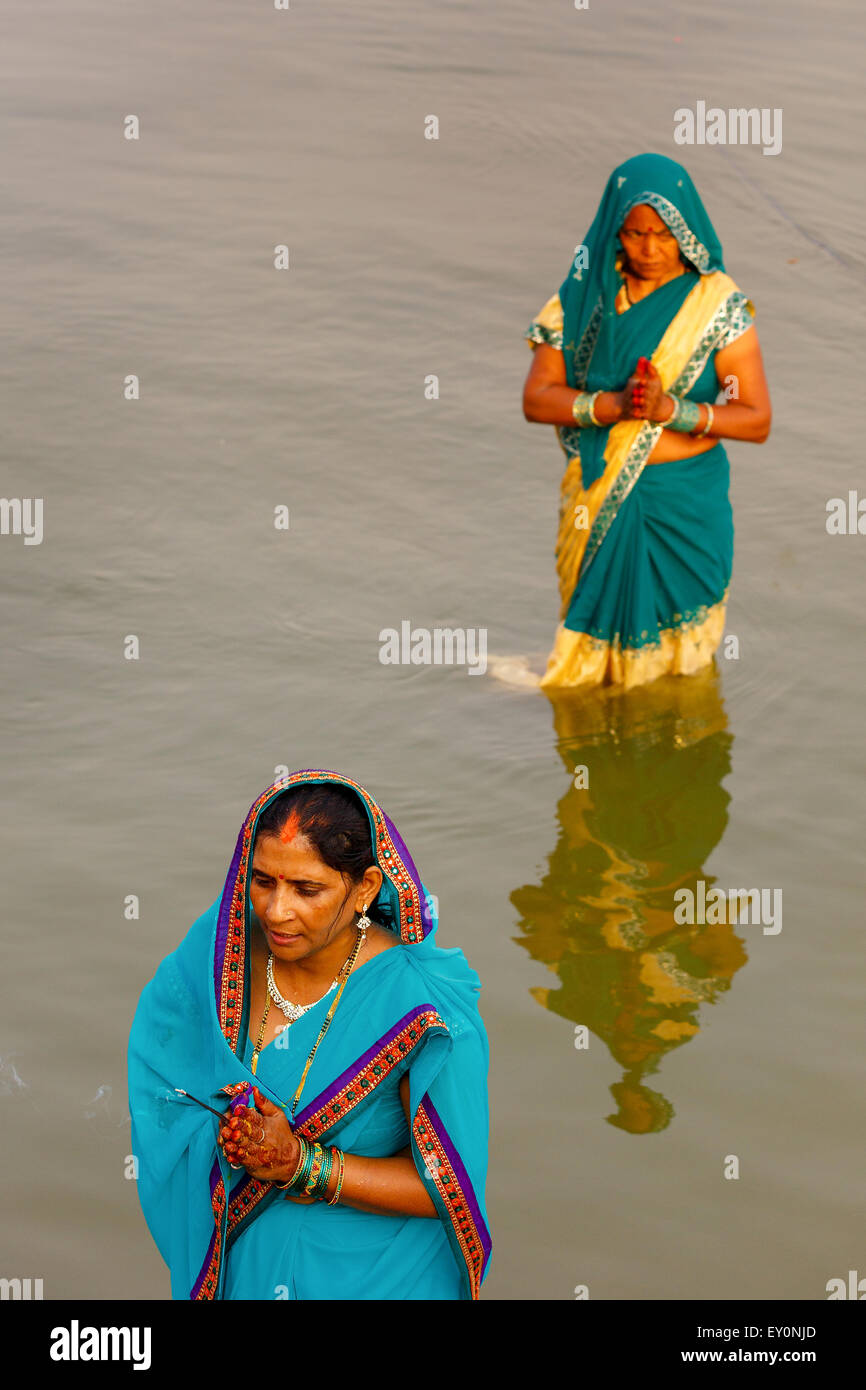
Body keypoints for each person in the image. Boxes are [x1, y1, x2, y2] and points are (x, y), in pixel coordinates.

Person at [128, 769, 491, 1300]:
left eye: (307, 889)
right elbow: (164, 1084)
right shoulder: (218, 954)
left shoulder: (423, 1008)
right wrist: (233, 1133)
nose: (277, 911)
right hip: (245, 1262)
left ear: (365, 887)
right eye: (263, 880)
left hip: (374, 1277)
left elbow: (448, 1186)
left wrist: (302, 1165)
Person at [522, 152, 771, 690]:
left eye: (664, 234)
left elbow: (754, 419)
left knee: (686, 671)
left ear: (685, 230)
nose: (651, 249)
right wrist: (610, 406)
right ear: (616, 231)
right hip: (598, 501)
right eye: (636, 234)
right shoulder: (582, 302)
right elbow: (538, 398)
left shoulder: (716, 307)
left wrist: (671, 411)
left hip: (687, 508)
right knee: (591, 672)